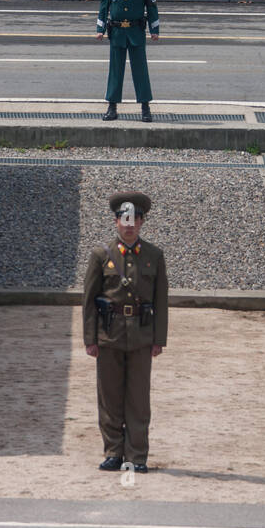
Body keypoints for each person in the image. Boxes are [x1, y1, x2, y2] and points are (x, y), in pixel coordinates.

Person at [82, 192, 168, 472]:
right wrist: (90, 339)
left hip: (142, 337)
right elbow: (89, 301)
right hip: (110, 335)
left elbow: (161, 301)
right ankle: (113, 452)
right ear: (116, 221)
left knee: (138, 399)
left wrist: (158, 339)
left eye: (135, 219)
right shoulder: (100, 256)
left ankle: (137, 456)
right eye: (124, 219)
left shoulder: (154, 256)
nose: (129, 225)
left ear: (142, 222)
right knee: (109, 397)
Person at [97, 0, 159, 121]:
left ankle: (145, 107)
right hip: (117, 31)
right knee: (115, 70)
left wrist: (154, 29)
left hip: (136, 30)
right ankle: (112, 106)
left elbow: (151, 5)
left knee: (140, 70)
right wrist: (100, 28)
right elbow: (104, 5)